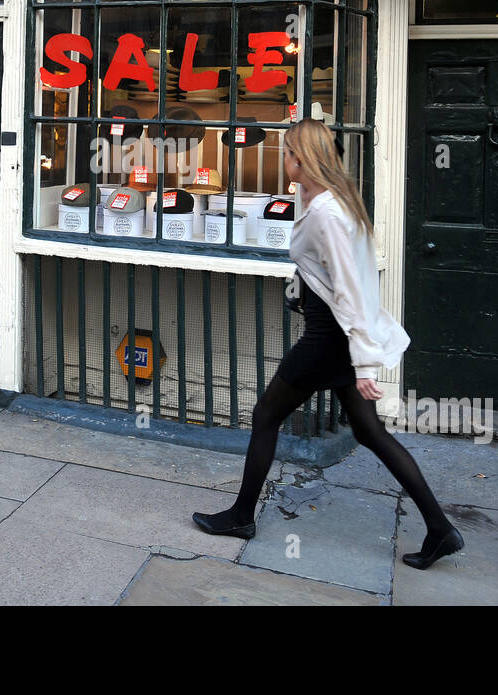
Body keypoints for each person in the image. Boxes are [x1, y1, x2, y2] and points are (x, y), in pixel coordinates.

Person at [192, 119, 464, 571]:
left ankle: (242, 517)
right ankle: (440, 529)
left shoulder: (327, 213)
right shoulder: (317, 198)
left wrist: (363, 365)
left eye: (288, 154)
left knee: (265, 416)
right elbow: (319, 269)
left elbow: (352, 286)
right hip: (332, 334)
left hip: (329, 340)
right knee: (370, 433)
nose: (284, 161)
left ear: (304, 160)